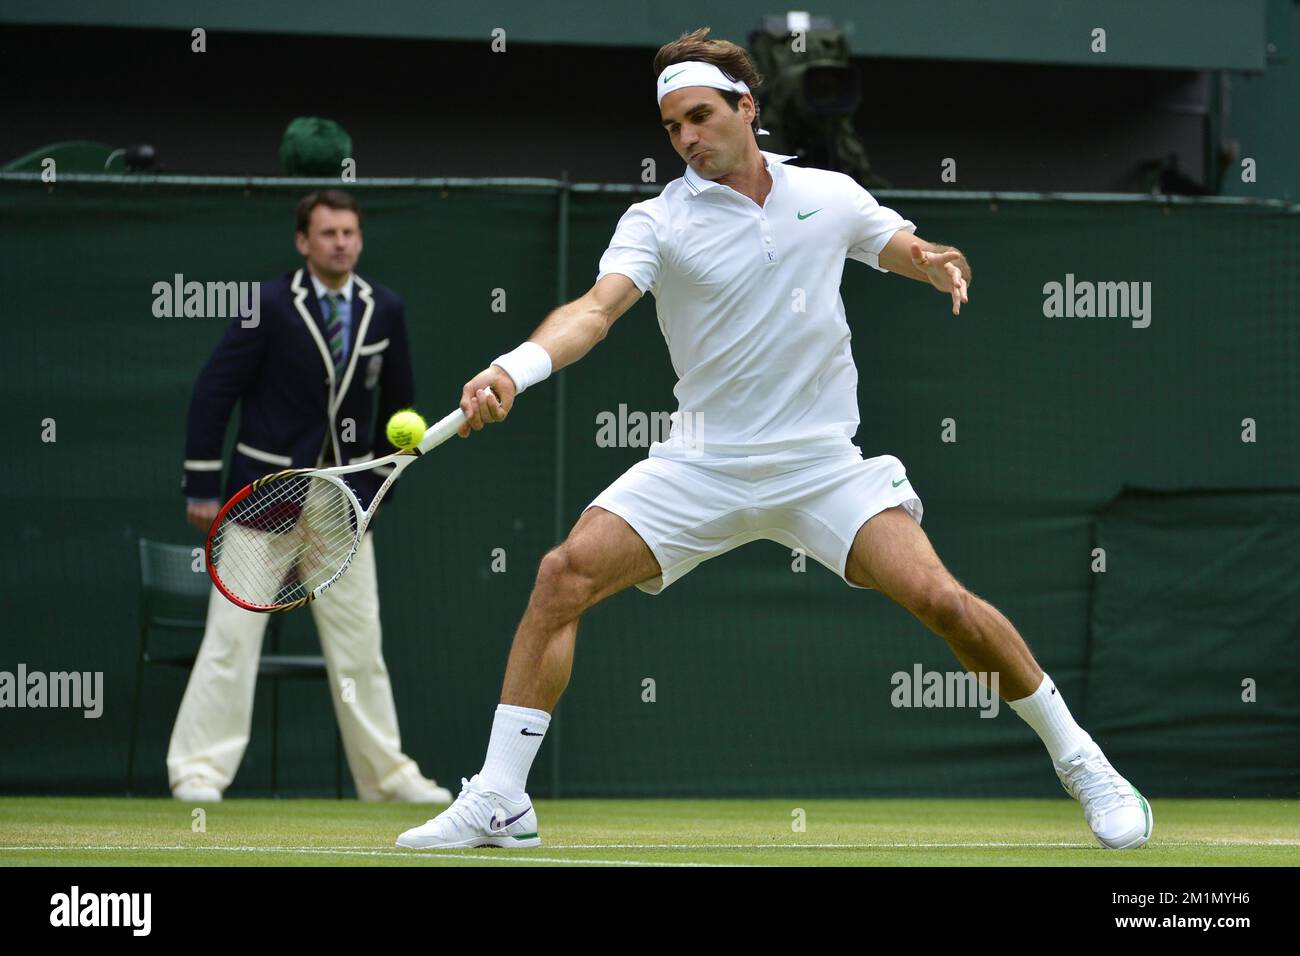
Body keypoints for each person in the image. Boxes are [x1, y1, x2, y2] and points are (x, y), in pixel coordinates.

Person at [399, 29, 1151, 850]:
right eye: (672, 127)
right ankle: (501, 798)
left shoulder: (827, 194)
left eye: (699, 116)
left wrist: (932, 259)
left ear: (744, 107)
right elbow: (595, 310)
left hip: (823, 467)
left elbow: (893, 245)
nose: (687, 138)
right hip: (702, 463)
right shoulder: (656, 220)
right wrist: (517, 365)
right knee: (561, 574)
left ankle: (1084, 763)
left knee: (944, 602)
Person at [171, 189, 451, 804]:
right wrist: (200, 483)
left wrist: (374, 489)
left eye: (349, 231)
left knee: (361, 650)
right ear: (304, 242)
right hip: (261, 499)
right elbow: (212, 393)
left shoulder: (386, 308)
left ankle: (388, 779)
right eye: (328, 233)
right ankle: (198, 773)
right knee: (230, 640)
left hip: (342, 508)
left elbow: (399, 405)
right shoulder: (265, 305)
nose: (341, 242)